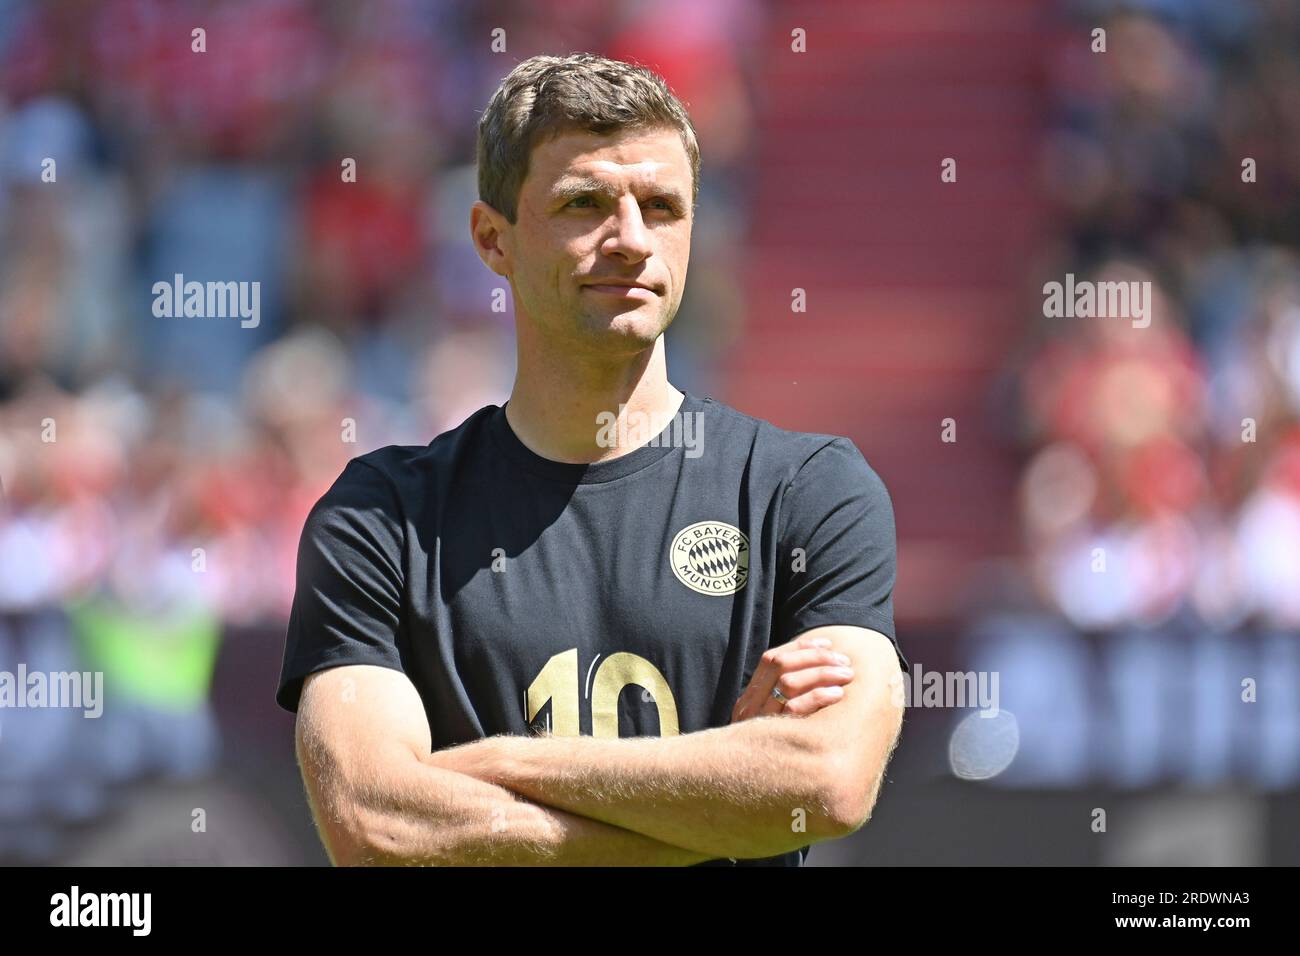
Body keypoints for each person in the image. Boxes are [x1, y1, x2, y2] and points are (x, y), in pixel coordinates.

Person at [276, 53, 907, 866]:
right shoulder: (380, 517)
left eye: (662, 206)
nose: (632, 240)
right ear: (491, 240)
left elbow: (825, 785)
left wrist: (502, 766)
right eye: (585, 204)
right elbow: (378, 826)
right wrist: (716, 797)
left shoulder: (810, 492)